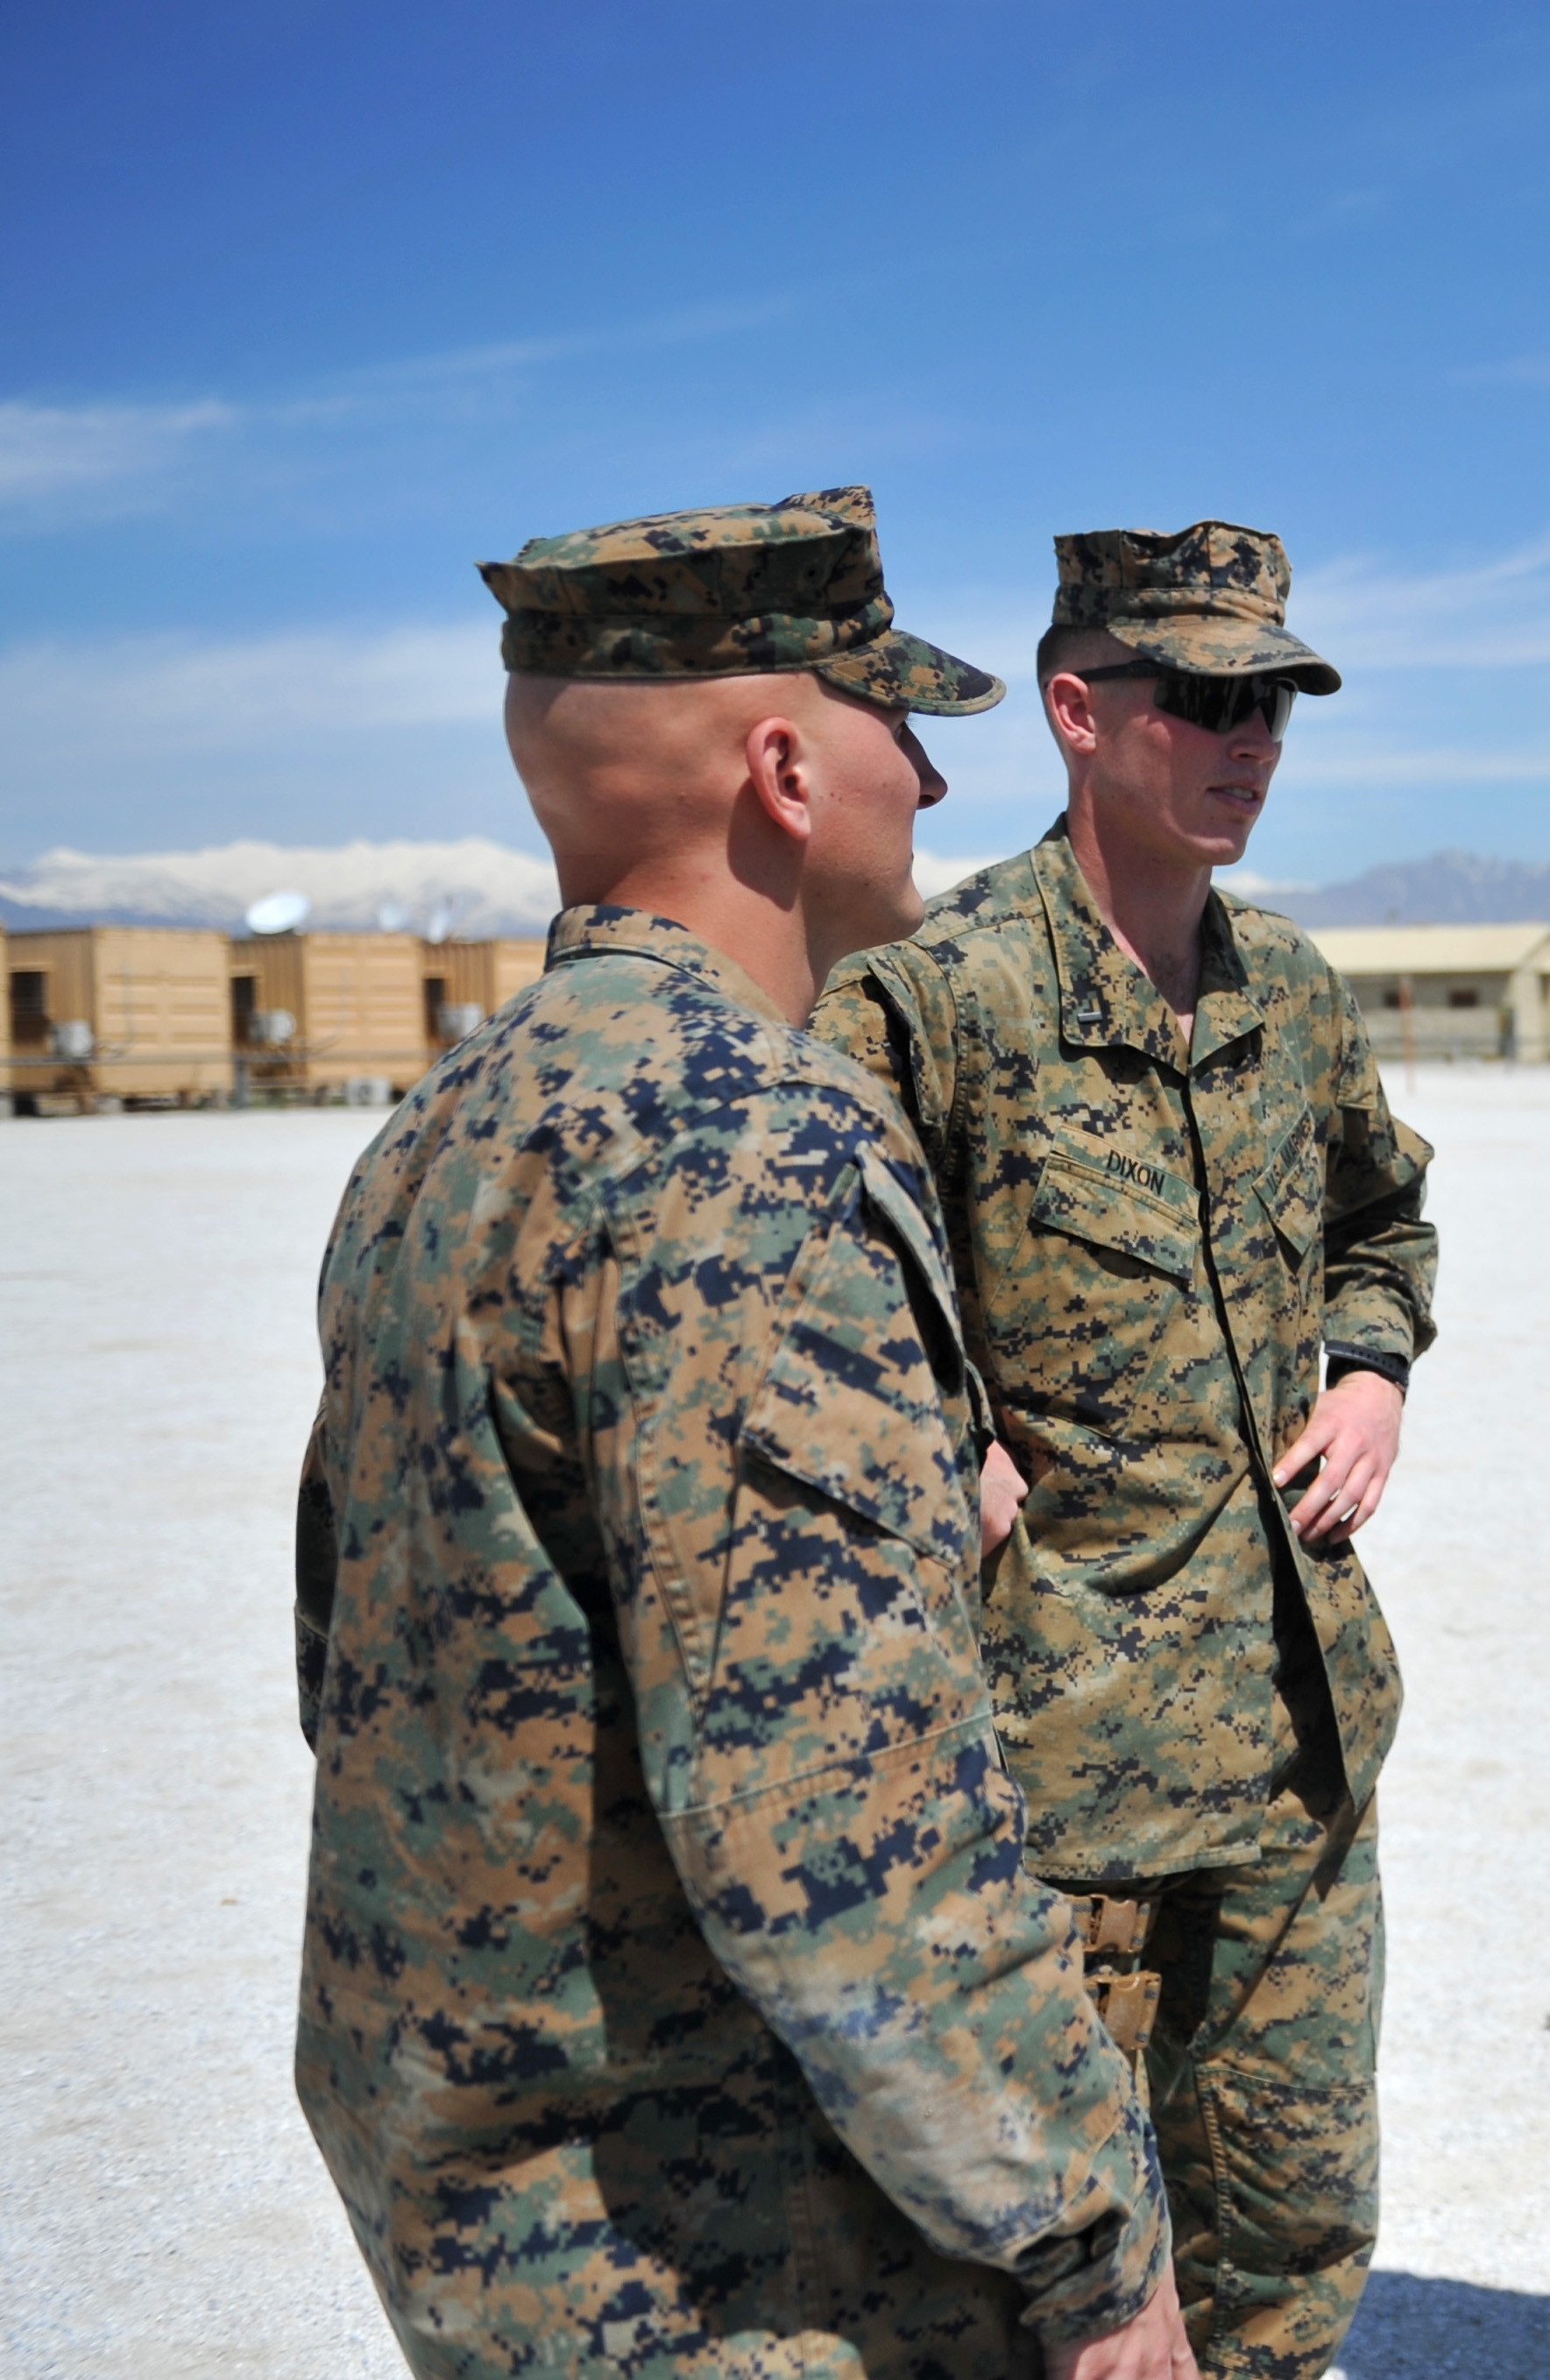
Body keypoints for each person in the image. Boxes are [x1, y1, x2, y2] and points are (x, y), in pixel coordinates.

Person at [294, 487, 1190, 2378]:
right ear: (785, 770)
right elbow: (842, 1840)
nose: (937, 789)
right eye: (901, 728)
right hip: (737, 2245)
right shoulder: (748, 1147)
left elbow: (356, 1664)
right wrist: (1095, 2236)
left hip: (494, 2210)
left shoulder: (451, 1127)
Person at [814, 519, 1434, 2380]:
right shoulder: (939, 997)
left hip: (1295, 1732)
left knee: (1292, 2230)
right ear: (1079, 712)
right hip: (1056, 1762)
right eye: (1209, 701)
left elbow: (1380, 1221)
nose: (1250, 742)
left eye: (1276, 707)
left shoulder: (1288, 993)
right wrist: (933, 1426)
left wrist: (1375, 1369)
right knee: (1057, 2276)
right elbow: (810, 1279)